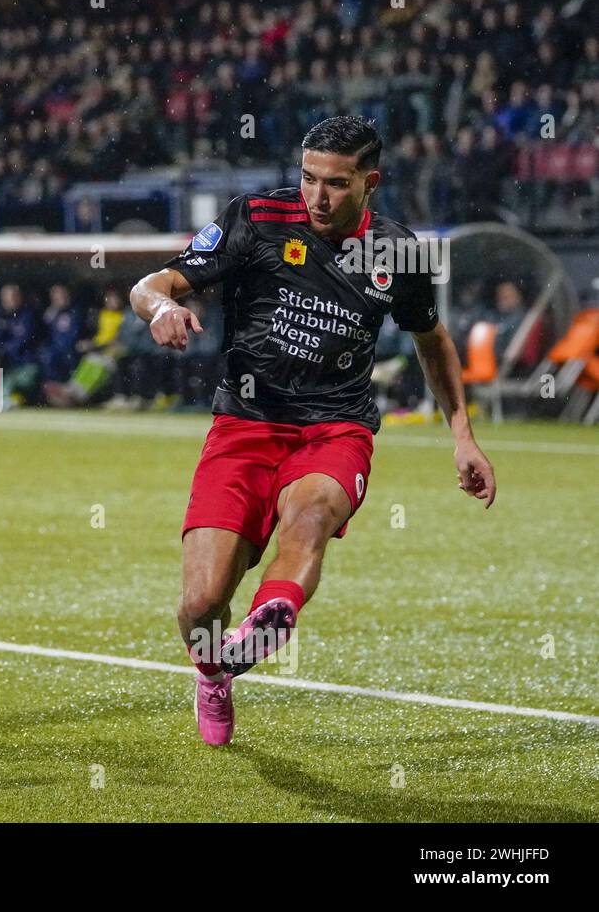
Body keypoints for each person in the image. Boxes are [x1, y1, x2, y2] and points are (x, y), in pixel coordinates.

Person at [130, 115, 496, 746]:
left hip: (336, 429)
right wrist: (162, 307)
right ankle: (214, 670)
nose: (316, 197)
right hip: (245, 426)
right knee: (199, 606)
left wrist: (462, 435)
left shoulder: (397, 252)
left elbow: (432, 341)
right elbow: (151, 283)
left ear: (370, 182)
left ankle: (274, 615)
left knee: (311, 515)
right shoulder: (256, 219)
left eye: (334, 183)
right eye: (307, 178)